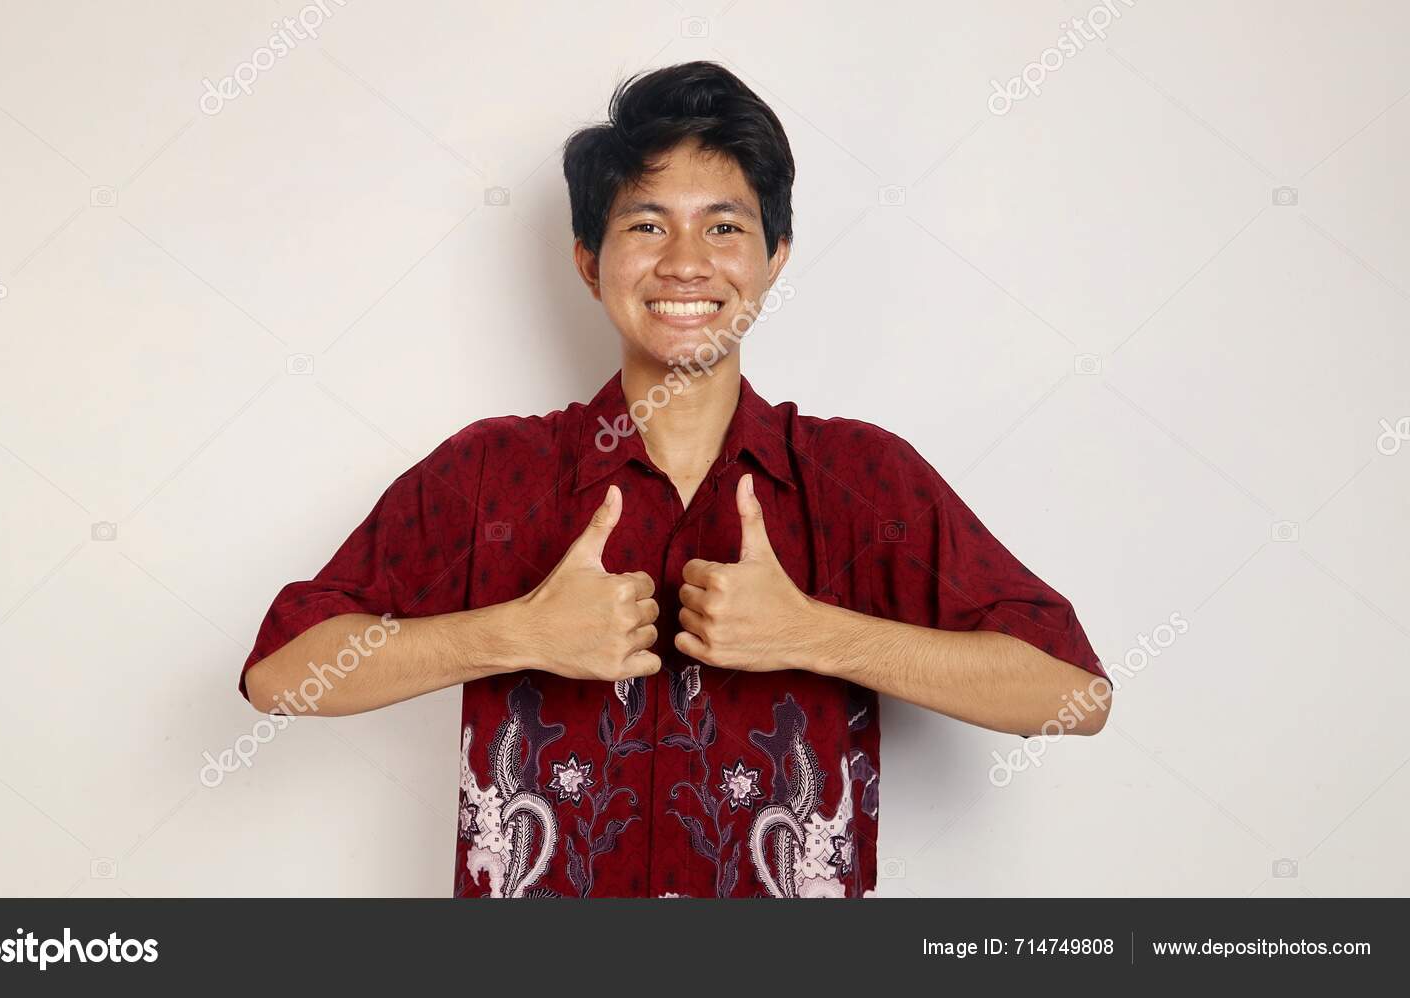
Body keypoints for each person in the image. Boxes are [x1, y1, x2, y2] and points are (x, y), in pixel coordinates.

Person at [240, 61, 1110, 898]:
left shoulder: (858, 478)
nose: (686, 262)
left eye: (725, 226)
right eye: (647, 225)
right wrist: (512, 633)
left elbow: (1072, 694)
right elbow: (282, 674)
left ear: (775, 257)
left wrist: (812, 635)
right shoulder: (490, 474)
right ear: (589, 261)